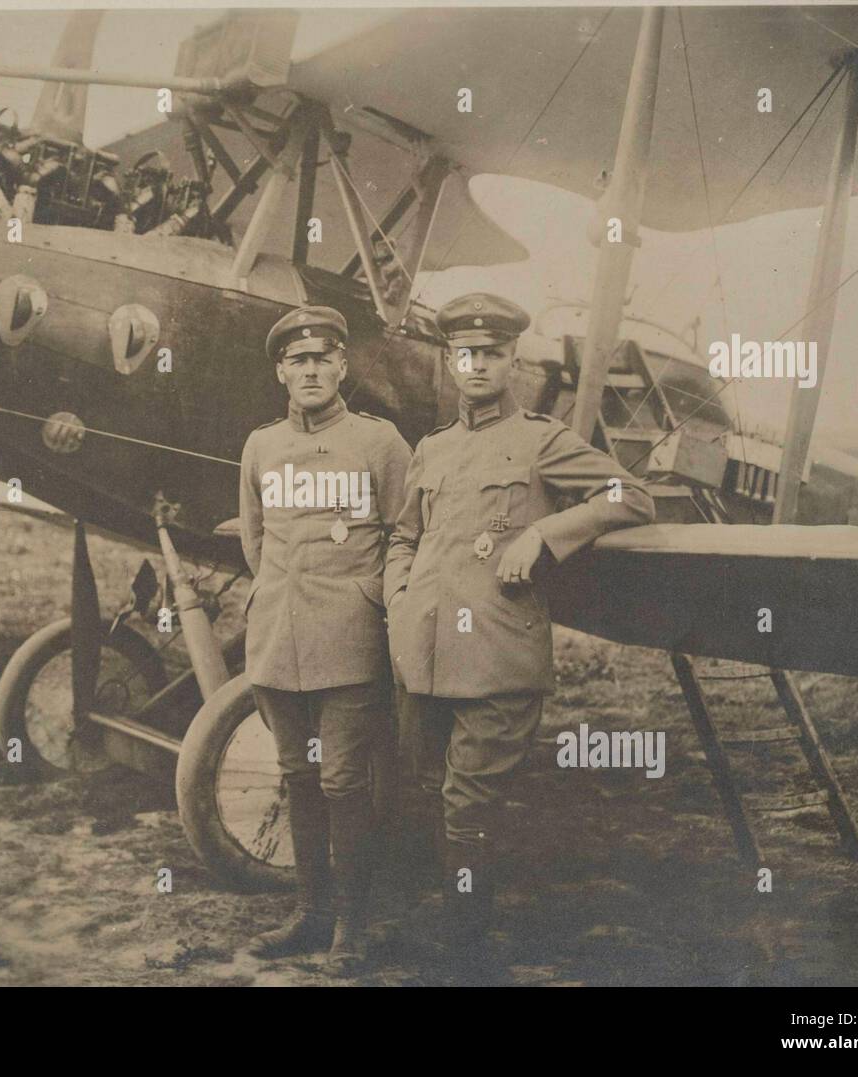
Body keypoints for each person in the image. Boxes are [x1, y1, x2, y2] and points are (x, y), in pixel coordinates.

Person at [384, 292, 655, 956]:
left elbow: (632, 495)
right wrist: (398, 600)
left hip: (497, 656)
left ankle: (464, 946)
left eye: (494, 353)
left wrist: (544, 532)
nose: (478, 365)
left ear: (512, 361)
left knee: (467, 803)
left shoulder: (541, 439)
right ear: (451, 361)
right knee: (429, 788)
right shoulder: (433, 448)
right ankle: (455, 925)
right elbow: (403, 537)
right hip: (423, 653)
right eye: (466, 353)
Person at [238, 305, 412, 974]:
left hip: (348, 636)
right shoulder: (261, 446)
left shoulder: (380, 443)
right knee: (297, 775)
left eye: (322, 359)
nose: (309, 370)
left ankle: (352, 924)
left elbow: (405, 533)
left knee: (343, 780)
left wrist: (371, 601)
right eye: (297, 361)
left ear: (342, 366)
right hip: (279, 638)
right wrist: (275, 597)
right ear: (281, 370)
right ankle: (309, 913)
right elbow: (256, 539)